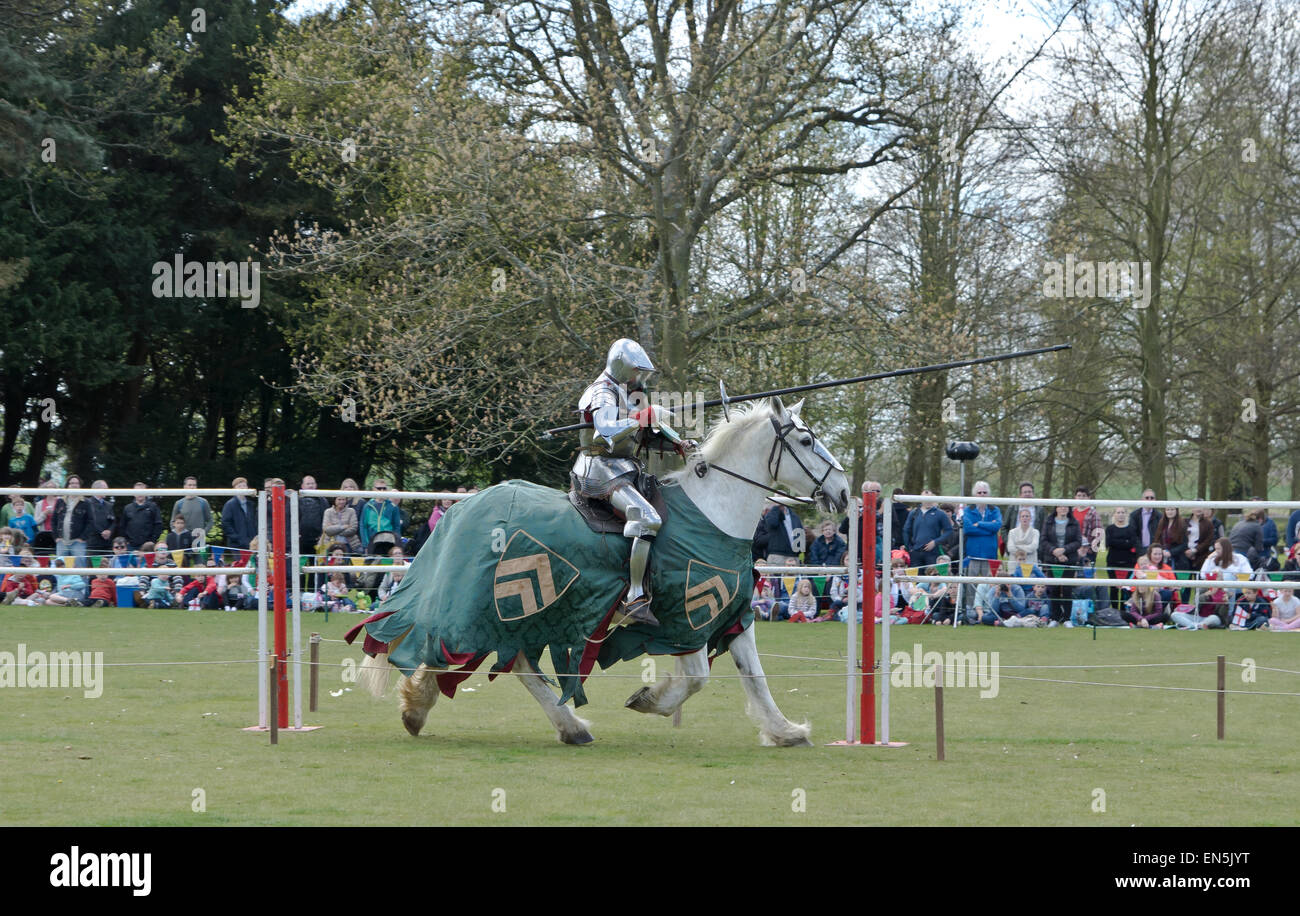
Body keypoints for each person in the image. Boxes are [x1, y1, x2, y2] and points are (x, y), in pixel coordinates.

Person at [1039, 504, 1081, 622]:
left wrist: (1064, 550)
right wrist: (1054, 551)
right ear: (1056, 508)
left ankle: (1067, 619)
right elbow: (1043, 540)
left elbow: (1078, 541)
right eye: (1061, 506)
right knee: (1054, 589)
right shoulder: (1048, 522)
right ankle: (1055, 618)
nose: (1063, 508)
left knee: (1067, 590)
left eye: (1066, 507)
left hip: (1069, 560)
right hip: (1052, 560)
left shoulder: (1074, 522)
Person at [902, 490, 952, 573]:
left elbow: (949, 530)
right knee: (916, 579)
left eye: (930, 498)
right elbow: (906, 530)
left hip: (932, 553)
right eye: (925, 499)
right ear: (921, 499)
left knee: (932, 577)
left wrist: (935, 542)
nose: (928, 501)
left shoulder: (940, 514)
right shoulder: (914, 513)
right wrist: (909, 547)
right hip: (916, 552)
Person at [961, 480, 1002, 582]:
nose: (982, 495)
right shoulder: (968, 510)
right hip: (972, 554)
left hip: (990, 554)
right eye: (979, 493)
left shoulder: (995, 509)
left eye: (985, 492)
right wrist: (989, 529)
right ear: (975, 494)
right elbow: (968, 529)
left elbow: (997, 526)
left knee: (989, 584)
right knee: (971, 585)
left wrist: (979, 524)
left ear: (988, 494)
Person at [1103, 506, 1137, 609]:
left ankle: (1123, 611)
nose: (1120, 514)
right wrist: (1124, 542)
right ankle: (1113, 610)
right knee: (1113, 588)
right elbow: (1108, 543)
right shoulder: (1110, 529)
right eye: (1118, 512)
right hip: (1113, 562)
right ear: (1114, 514)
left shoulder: (1131, 529)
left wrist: (1117, 542)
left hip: (1128, 563)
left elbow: (1132, 544)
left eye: (1123, 512)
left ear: (1126, 514)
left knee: (1125, 589)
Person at [117, 483, 164, 550]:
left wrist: (152, 541)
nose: (140, 493)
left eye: (142, 491)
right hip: (131, 545)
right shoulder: (127, 508)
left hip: (148, 545)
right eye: (137, 491)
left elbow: (158, 525)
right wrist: (126, 541)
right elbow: (122, 526)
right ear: (133, 493)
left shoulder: (153, 506)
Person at [220, 478, 256, 554]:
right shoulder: (229, 505)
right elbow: (225, 523)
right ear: (234, 489)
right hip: (237, 545)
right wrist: (237, 538)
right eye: (240, 486)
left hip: (252, 544)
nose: (242, 488)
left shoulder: (251, 504)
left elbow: (255, 522)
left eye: (244, 485)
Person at [298, 475, 330, 557]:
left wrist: (322, 535)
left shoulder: (323, 500)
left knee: (317, 563)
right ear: (302, 486)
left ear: (316, 485)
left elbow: (326, 519)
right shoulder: (297, 500)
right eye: (308, 484)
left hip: (318, 539)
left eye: (312, 483)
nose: (310, 486)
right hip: (301, 538)